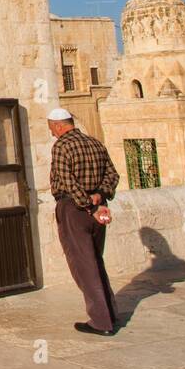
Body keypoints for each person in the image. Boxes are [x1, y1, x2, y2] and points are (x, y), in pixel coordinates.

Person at [48, 108, 121, 336]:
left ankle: (101, 322)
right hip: (98, 208)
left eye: (51, 128)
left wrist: (87, 205)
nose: (52, 133)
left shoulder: (62, 146)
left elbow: (67, 181)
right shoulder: (95, 142)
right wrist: (100, 195)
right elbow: (113, 175)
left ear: (59, 126)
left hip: (75, 209)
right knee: (96, 261)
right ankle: (110, 312)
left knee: (83, 265)